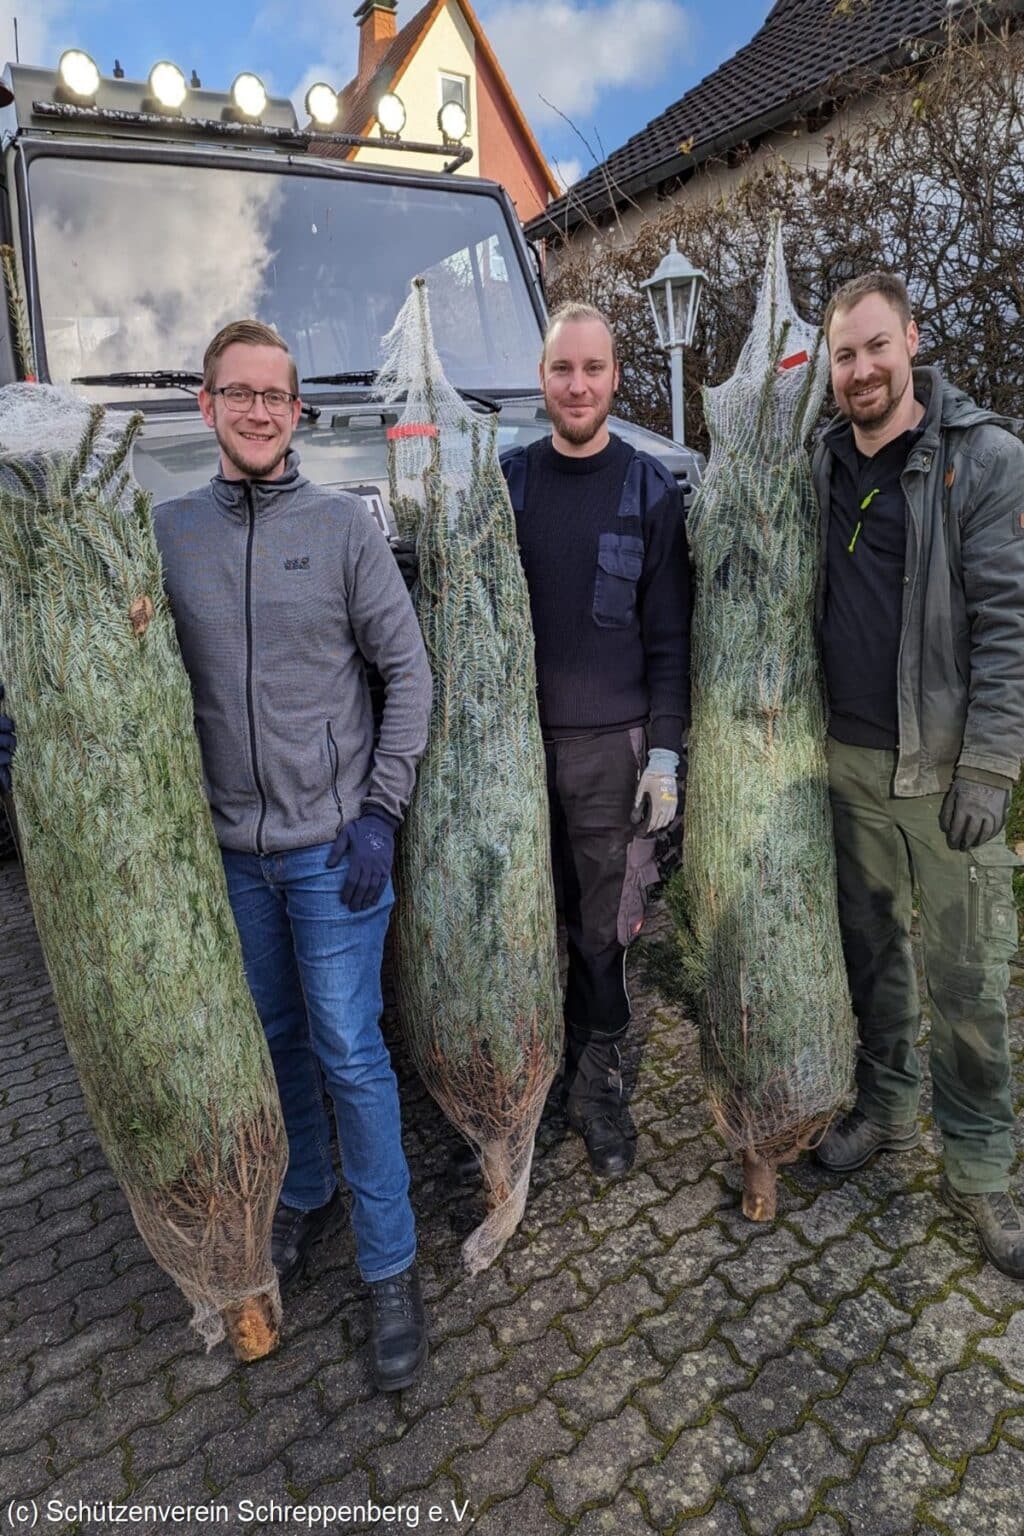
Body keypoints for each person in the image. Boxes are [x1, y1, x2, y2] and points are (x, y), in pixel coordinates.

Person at [0, 320, 434, 1387]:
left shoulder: (341, 531)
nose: (255, 411)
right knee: (276, 1043)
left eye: (273, 397)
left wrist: (381, 811)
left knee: (349, 1051)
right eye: (235, 393)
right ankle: (308, 1194)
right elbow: (123, 660)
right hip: (229, 864)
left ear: (297, 413)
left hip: (337, 855)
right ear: (204, 405)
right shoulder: (168, 531)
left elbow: (409, 678)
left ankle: (392, 1267)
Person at [813, 273, 1024, 1279]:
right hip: (843, 765)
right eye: (841, 355)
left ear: (910, 340)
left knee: (969, 979)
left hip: (943, 780)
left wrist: (988, 765)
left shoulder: (981, 461)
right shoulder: (818, 464)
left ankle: (981, 1169)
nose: (859, 370)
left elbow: (1007, 628)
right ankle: (887, 1110)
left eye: (873, 348)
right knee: (873, 962)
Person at [498, 300, 692, 1178]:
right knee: (533, 926)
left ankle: (600, 1086)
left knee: (605, 932)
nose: (577, 385)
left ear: (617, 378)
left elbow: (670, 641)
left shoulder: (649, 491)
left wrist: (664, 755)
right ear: (541, 379)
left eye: (593, 369)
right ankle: (545, 1085)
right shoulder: (508, 486)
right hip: (511, 757)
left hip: (612, 753)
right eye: (561, 369)